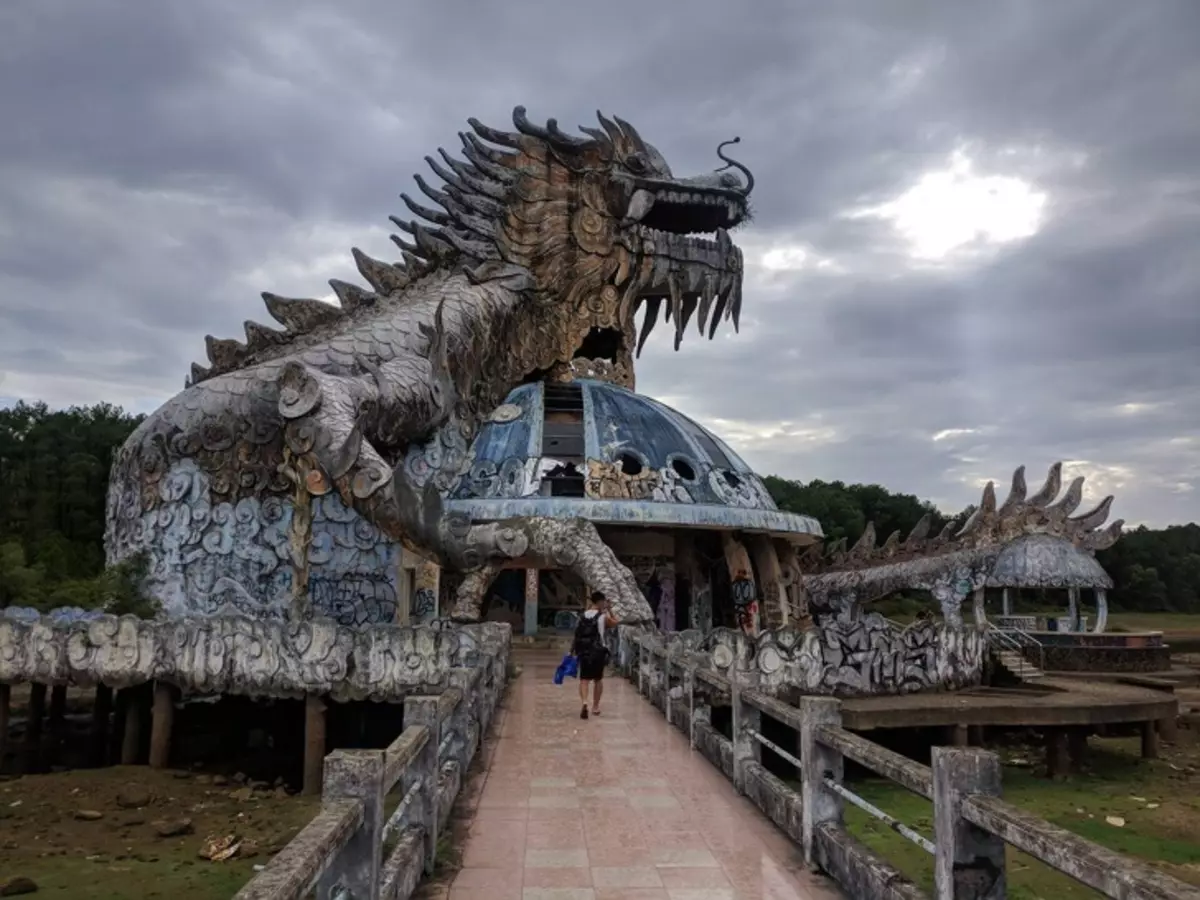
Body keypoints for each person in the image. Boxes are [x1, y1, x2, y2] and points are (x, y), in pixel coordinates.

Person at [573, 590, 618, 719]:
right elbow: (615, 622)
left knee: (584, 680)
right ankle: (596, 706)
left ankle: (584, 702)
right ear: (600, 602)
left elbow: (577, 634)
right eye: (604, 602)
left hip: (584, 650)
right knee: (598, 679)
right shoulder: (603, 617)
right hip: (598, 651)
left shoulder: (582, 616)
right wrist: (610, 610)